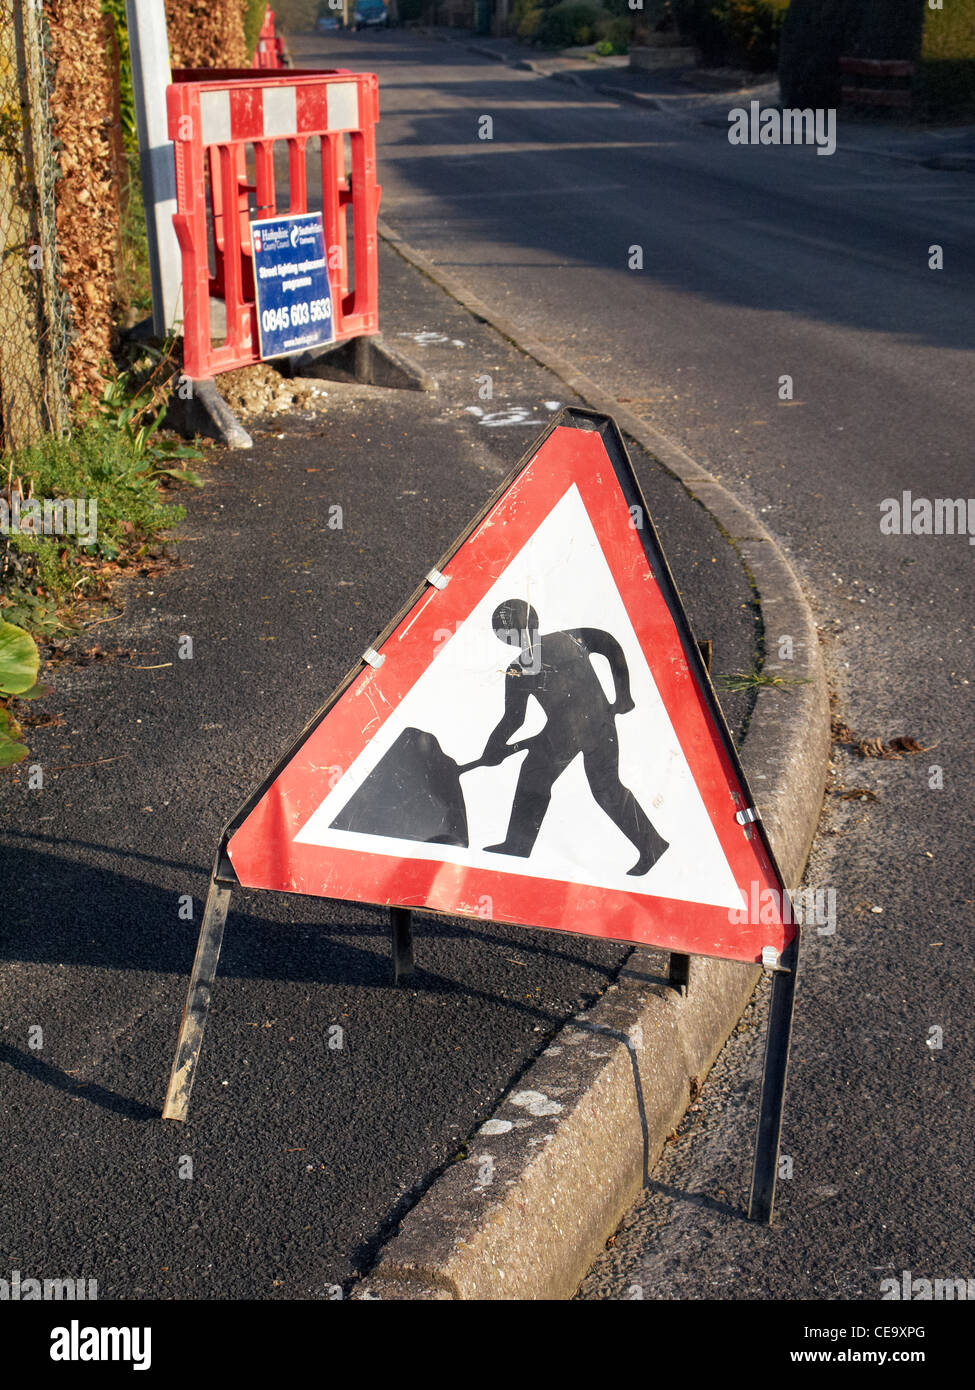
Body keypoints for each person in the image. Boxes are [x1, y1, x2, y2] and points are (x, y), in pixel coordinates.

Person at [480, 599, 668, 876]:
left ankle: (518, 844)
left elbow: (609, 644)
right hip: (576, 727)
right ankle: (651, 843)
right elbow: (514, 718)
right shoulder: (533, 659)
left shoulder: (564, 642)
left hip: (584, 727)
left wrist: (624, 693)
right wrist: (493, 746)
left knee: (589, 785)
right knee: (596, 786)